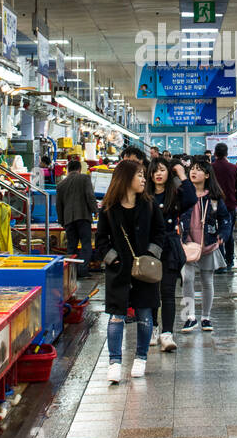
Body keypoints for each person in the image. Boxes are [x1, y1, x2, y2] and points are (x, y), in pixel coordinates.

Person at [94, 160, 165, 384]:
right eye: (140, 175)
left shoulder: (150, 205)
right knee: (116, 316)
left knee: (145, 314)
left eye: (144, 175)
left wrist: (151, 256)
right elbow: (101, 240)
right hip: (119, 271)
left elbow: (160, 233)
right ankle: (114, 361)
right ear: (126, 179)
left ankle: (141, 358)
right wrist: (112, 259)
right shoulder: (109, 208)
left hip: (144, 271)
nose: (145, 179)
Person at [179, 158, 231, 333]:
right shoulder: (183, 194)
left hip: (208, 244)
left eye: (199, 170)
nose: (194, 172)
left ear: (207, 175)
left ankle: (206, 317)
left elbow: (225, 219)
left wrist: (222, 235)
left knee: (207, 281)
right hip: (187, 244)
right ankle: (190, 317)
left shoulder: (214, 198)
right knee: (187, 279)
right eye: (192, 169)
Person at [147, 158, 185, 351]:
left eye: (162, 170)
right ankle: (153, 328)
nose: (159, 174)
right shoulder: (144, 196)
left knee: (168, 292)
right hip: (150, 249)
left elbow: (192, 200)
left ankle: (167, 334)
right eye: (155, 171)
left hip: (170, 248)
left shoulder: (175, 194)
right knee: (152, 291)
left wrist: (182, 175)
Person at [56, 157, 97, 279]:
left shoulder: (61, 184)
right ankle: (83, 271)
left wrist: (62, 221)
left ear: (68, 170)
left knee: (71, 247)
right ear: (80, 169)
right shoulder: (85, 178)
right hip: (83, 216)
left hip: (68, 219)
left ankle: (71, 273)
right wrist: (95, 210)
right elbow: (90, 196)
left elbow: (59, 205)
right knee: (86, 244)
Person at [211, 142, 237, 272]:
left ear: (215, 153)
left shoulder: (211, 168)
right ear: (227, 153)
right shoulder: (233, 168)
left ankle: (219, 262)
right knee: (228, 233)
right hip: (229, 204)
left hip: (212, 205)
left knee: (214, 232)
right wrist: (235, 200)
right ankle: (229, 261)